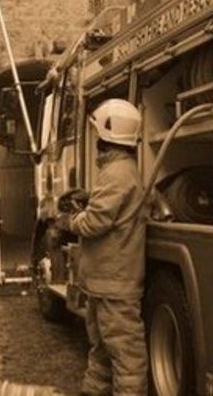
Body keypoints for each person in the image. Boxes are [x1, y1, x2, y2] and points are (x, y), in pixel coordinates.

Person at [58, 99, 148, 395]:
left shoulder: (117, 173)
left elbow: (94, 223)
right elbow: (107, 211)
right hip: (106, 282)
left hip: (114, 283)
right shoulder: (120, 171)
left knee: (125, 355)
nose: (95, 138)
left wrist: (68, 221)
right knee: (102, 347)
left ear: (108, 135)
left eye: (98, 132)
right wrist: (88, 200)